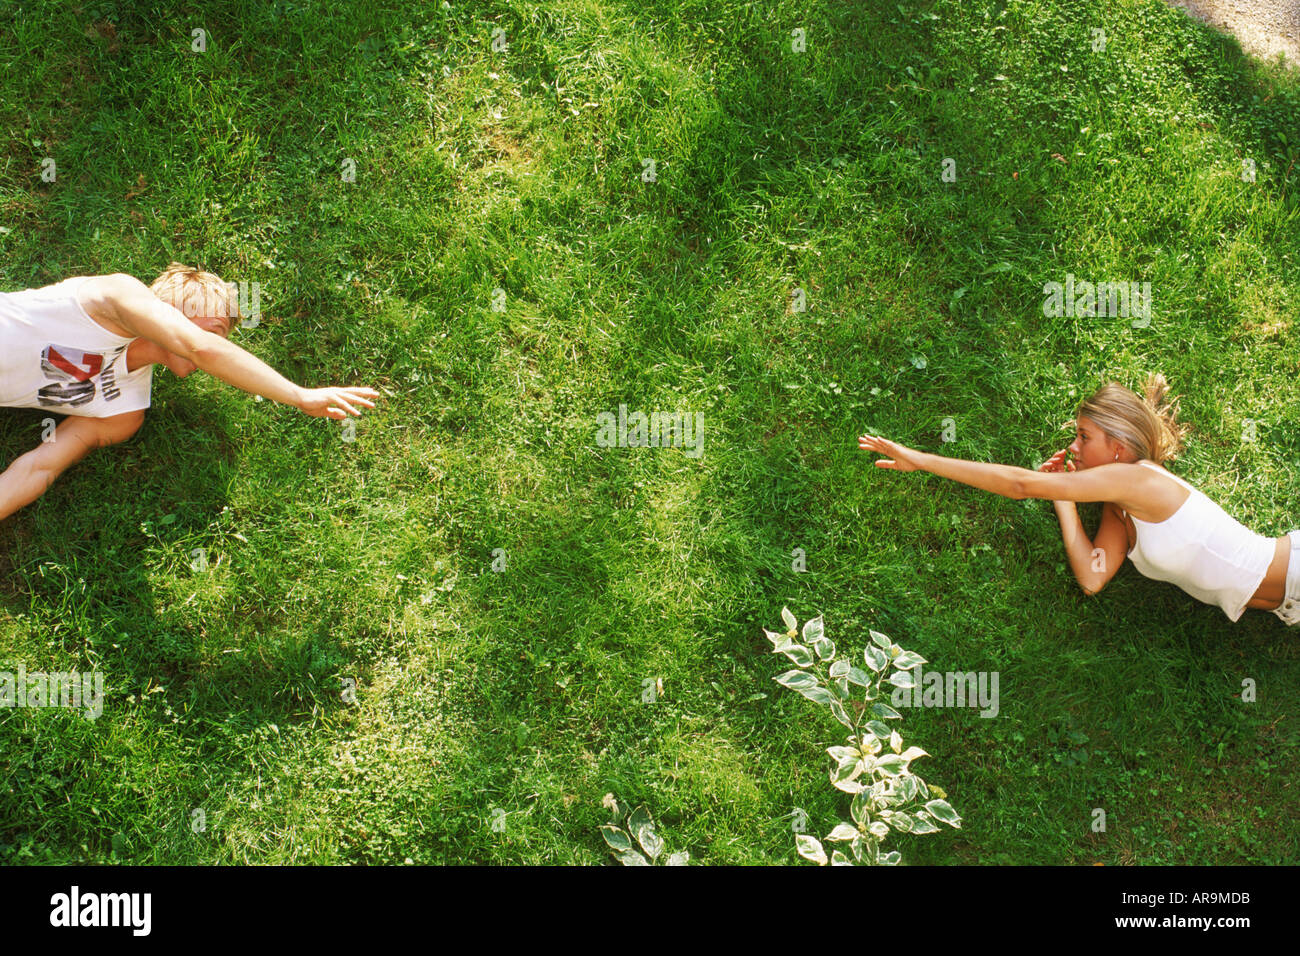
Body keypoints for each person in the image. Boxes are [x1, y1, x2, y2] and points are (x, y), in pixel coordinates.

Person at [858, 373, 1299, 625]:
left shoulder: (1141, 482)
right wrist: (1065, 503)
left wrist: (922, 459)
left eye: (1084, 436)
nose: (1073, 447)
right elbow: (1092, 577)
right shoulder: (1121, 508)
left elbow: (1019, 485)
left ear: (1118, 450)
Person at [0, 263, 379, 523]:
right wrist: (299, 395)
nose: (218, 344)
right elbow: (201, 348)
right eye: (214, 328)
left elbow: (38, 467)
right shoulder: (113, 297)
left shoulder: (123, 413)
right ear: (168, 308)